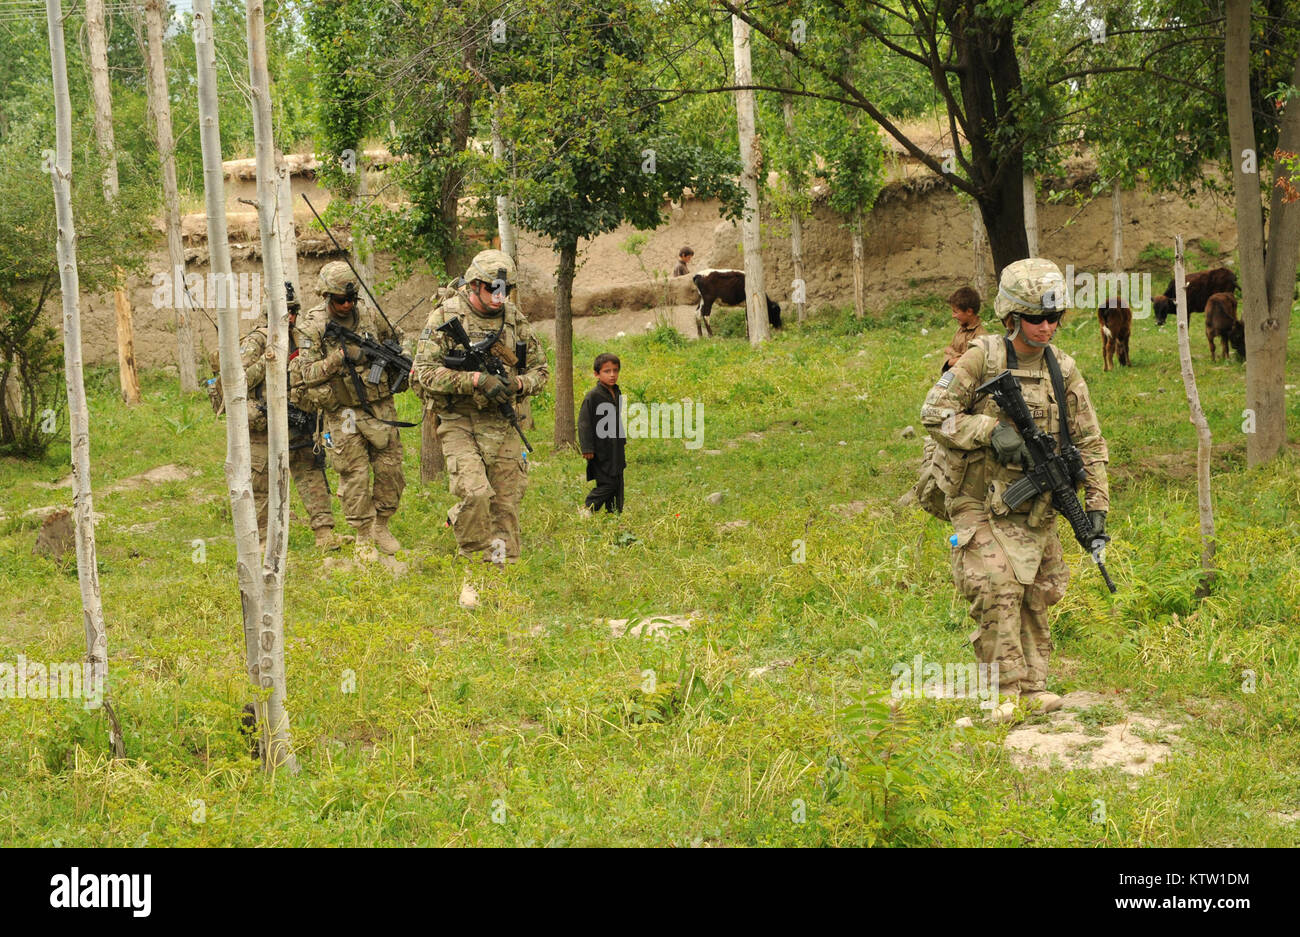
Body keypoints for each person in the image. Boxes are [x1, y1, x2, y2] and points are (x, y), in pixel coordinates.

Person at [920, 258, 1110, 723]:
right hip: (978, 497)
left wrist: (1097, 505)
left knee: (1039, 588)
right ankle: (1000, 692)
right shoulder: (982, 356)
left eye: (1054, 318)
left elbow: (1089, 440)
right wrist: (989, 430)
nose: (1047, 327)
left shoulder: (1062, 368)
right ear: (1011, 317)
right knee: (995, 582)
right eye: (1036, 318)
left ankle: (1031, 687)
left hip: (1031, 502)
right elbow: (934, 412)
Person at [412, 250, 549, 589]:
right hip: (460, 420)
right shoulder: (445, 317)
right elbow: (423, 375)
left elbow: (541, 370)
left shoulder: (514, 319)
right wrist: (474, 380)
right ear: (474, 284)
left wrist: (517, 383)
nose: (500, 296)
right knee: (475, 495)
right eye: (493, 288)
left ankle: (500, 570)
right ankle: (473, 568)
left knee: (505, 501)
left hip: (502, 423)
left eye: (506, 289)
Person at [289, 261, 407, 558]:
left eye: (351, 299)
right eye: (340, 300)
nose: (346, 305)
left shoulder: (369, 314)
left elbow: (395, 337)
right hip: (342, 413)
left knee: (390, 470)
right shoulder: (311, 326)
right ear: (327, 297)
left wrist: (396, 358)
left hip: (379, 406)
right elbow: (307, 374)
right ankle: (364, 535)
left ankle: (381, 525)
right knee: (354, 475)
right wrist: (339, 357)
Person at [242, 285, 339, 549]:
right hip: (265, 424)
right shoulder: (257, 341)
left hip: (299, 420)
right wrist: (270, 359)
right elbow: (237, 380)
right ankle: (262, 542)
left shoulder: (302, 337)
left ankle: (324, 534)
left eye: (293, 311)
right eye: (284, 312)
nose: (290, 318)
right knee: (261, 484)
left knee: (312, 473)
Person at [578, 352, 626, 514]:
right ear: (596, 374)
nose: (612, 375)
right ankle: (588, 507)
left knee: (618, 480)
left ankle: (614, 513)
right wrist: (587, 448)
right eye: (607, 371)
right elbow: (584, 423)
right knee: (608, 482)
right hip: (600, 448)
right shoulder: (593, 396)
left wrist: (622, 439)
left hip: (616, 446)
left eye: (615, 370)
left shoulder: (617, 392)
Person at [942, 286, 988, 372]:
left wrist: (950, 360)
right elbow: (947, 349)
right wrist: (957, 356)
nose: (953, 316)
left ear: (969, 312)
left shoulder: (980, 336)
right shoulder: (960, 330)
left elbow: (971, 362)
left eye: (955, 312)